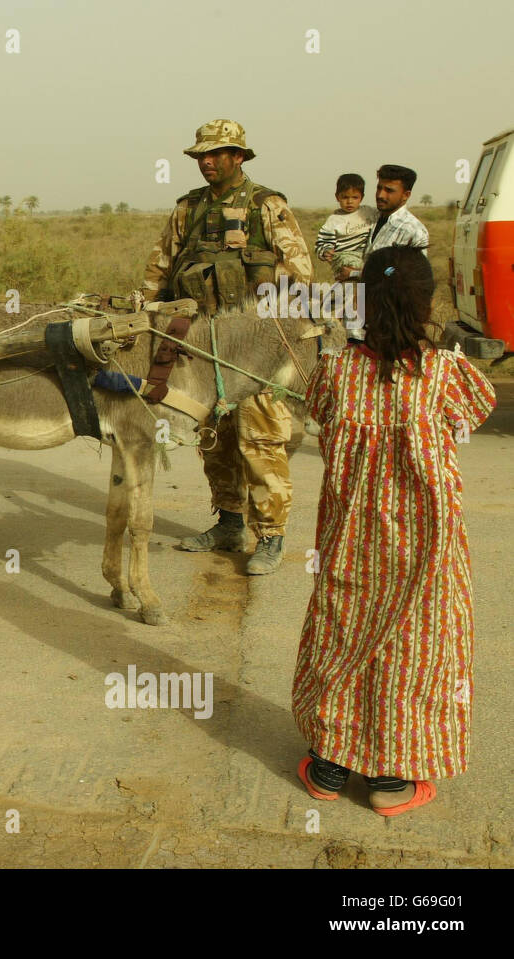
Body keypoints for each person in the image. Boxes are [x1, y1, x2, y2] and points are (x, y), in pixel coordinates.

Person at [292, 246, 495, 816]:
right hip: (426, 546)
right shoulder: (447, 373)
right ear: (427, 302)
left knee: (342, 632)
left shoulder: (334, 371)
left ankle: (330, 764)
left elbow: (320, 418)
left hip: (349, 540)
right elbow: (474, 413)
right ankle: (388, 777)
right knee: (416, 645)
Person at [142, 119, 313, 575]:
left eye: (215, 154)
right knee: (213, 439)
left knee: (260, 440)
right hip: (200, 347)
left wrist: (276, 334)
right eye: (201, 156)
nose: (206, 162)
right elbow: (160, 268)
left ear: (239, 156)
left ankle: (271, 537)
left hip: (254, 350)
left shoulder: (266, 204)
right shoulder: (187, 209)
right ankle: (230, 522)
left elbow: (299, 273)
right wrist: (146, 313)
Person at [314, 173, 377, 275]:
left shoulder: (369, 212)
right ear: (337, 197)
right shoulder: (333, 220)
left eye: (355, 197)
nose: (349, 201)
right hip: (344, 257)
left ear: (362, 197)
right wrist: (326, 251)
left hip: (364, 255)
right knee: (353, 265)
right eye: (345, 197)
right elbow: (322, 243)